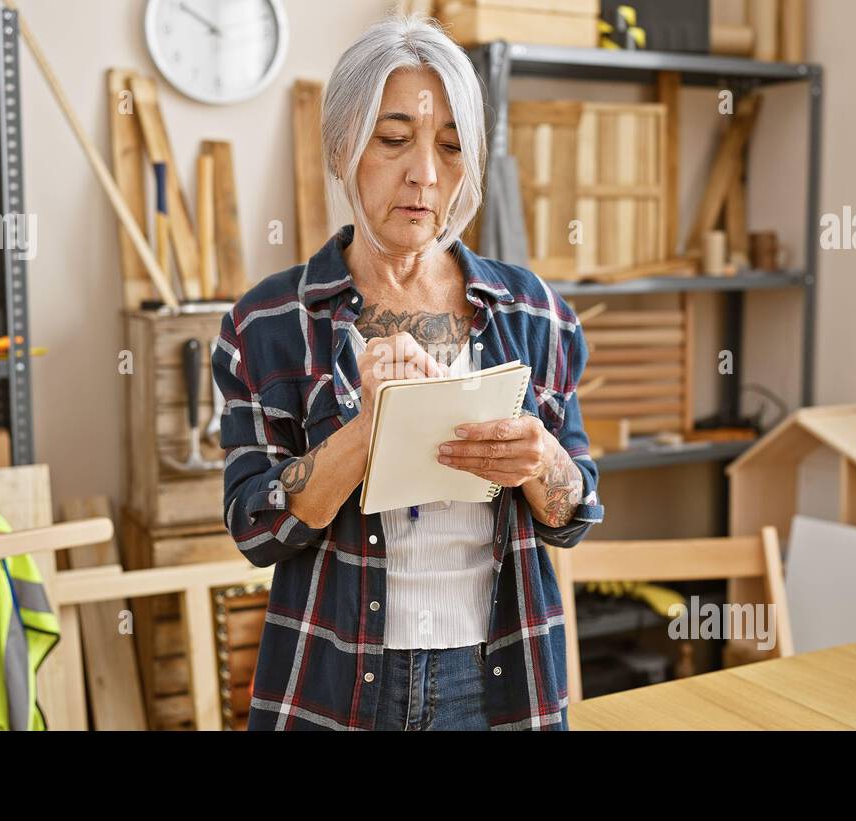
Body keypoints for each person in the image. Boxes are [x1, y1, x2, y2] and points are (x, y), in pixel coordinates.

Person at [211, 12, 604, 731]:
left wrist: (540, 457)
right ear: (341, 147)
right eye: (394, 140)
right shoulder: (265, 324)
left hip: (495, 676)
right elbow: (254, 528)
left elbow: (570, 515)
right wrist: (367, 432)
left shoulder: (537, 313)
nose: (425, 173)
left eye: (452, 148)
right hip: (334, 677)